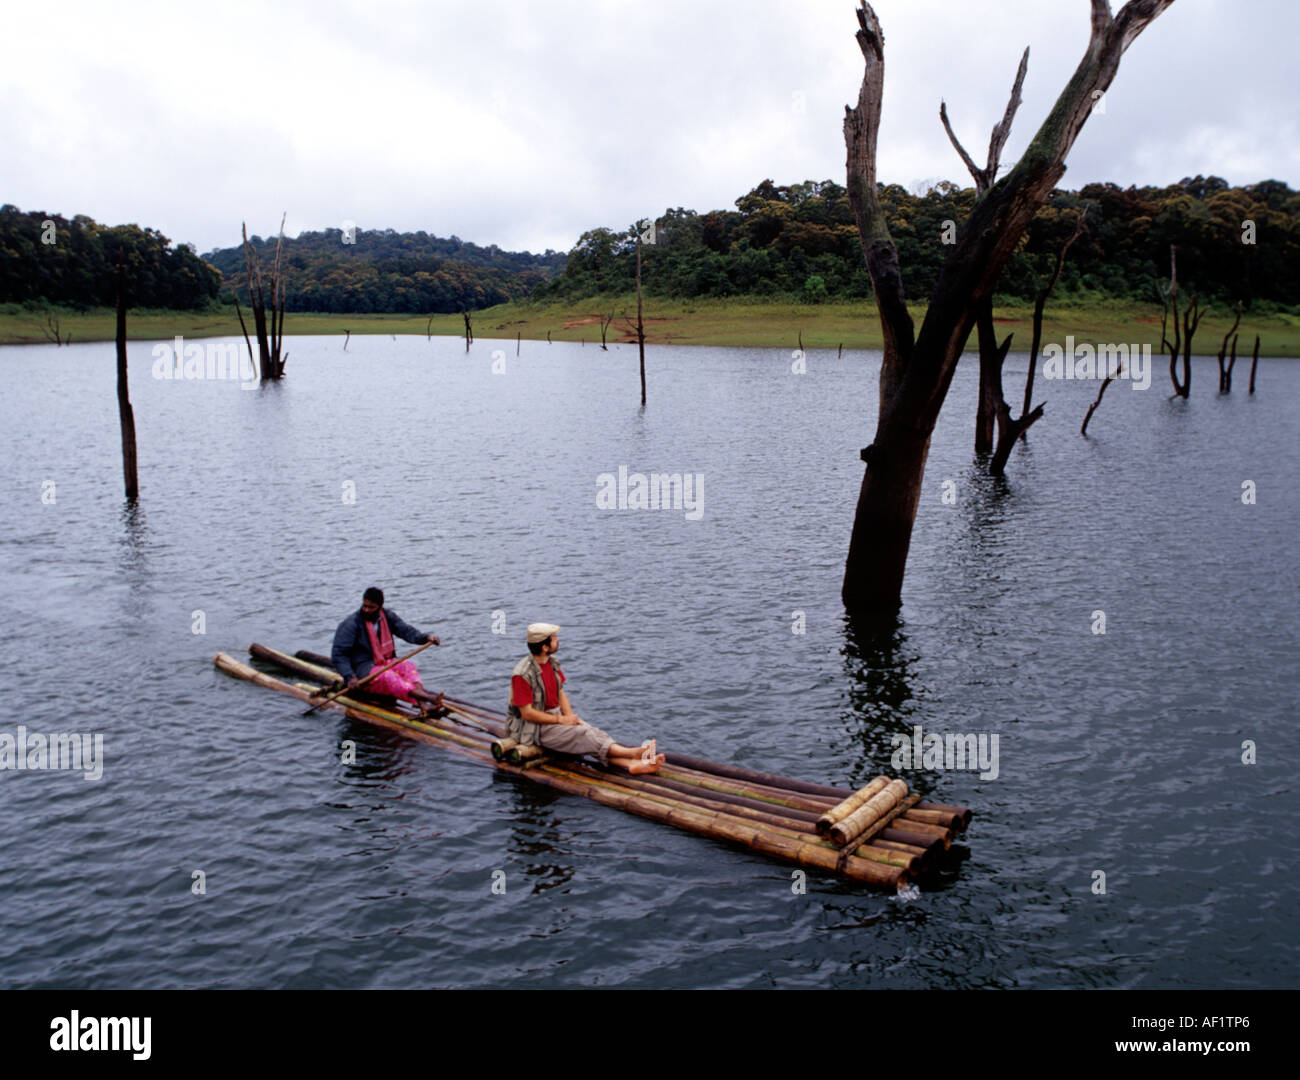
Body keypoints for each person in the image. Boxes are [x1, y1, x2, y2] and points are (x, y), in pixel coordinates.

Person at [507, 623, 663, 773]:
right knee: (584, 736)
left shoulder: (551, 663)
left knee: (591, 732)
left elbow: (560, 692)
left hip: (553, 717)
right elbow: (527, 714)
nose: (558, 639)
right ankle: (633, 754)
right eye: (554, 637)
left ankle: (631, 764)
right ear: (545, 647)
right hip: (533, 728)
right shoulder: (522, 675)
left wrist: (569, 717)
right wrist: (561, 721)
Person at [332, 587, 439, 707]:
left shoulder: (387, 616)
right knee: (388, 676)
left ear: (380, 607)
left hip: (383, 662)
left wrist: (425, 638)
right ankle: (428, 698)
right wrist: (349, 676)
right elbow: (339, 655)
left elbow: (405, 630)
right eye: (364, 606)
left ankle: (422, 703)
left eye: (371, 607)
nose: (366, 610)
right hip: (362, 669)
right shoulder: (351, 624)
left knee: (407, 666)